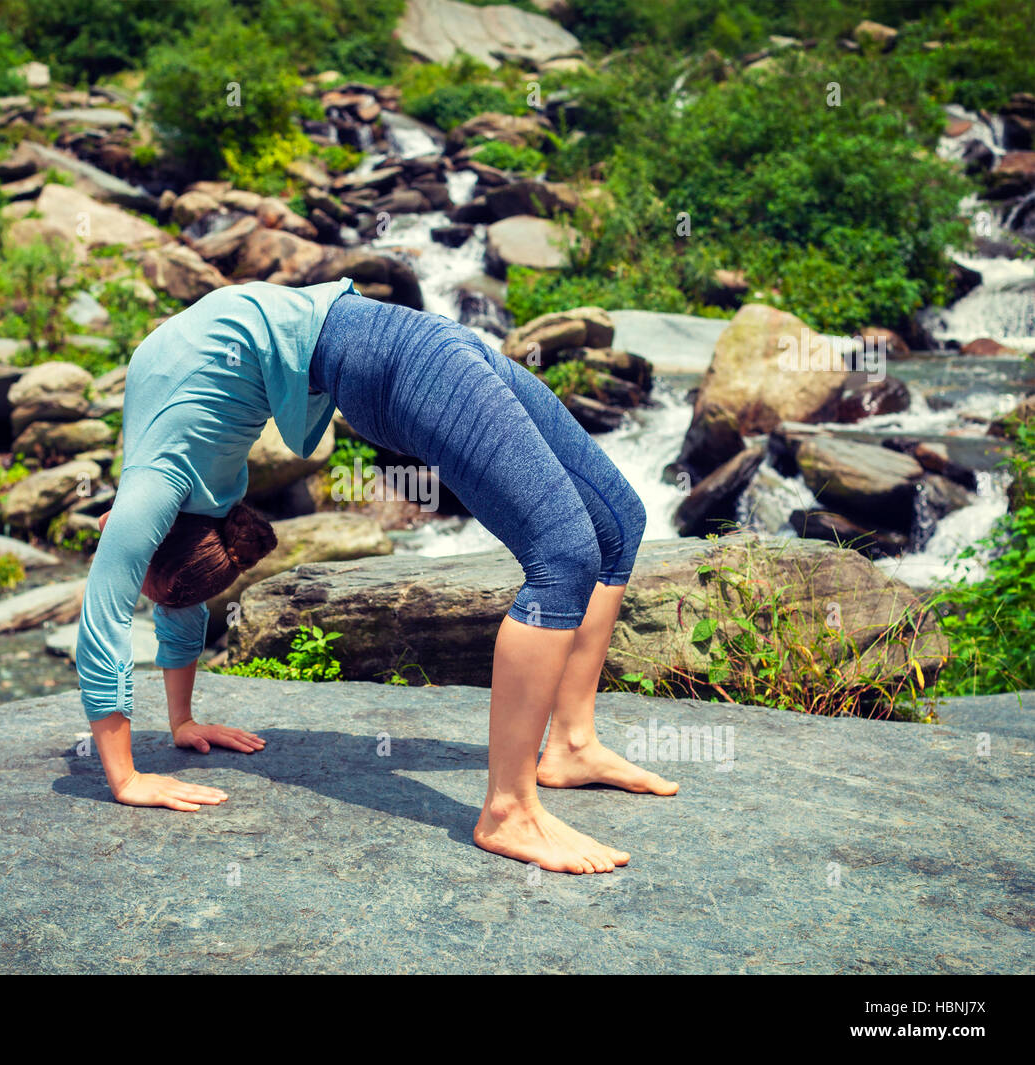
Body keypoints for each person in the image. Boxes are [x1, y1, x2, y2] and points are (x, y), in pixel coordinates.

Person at [76, 277, 677, 876]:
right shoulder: (186, 495)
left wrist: (125, 775)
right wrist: (180, 724)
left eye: (134, 561)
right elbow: (176, 598)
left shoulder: (158, 490)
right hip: (391, 353)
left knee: (616, 523)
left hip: (403, 346)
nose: (115, 543)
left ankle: (571, 745)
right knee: (565, 555)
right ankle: (509, 810)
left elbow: (103, 618)